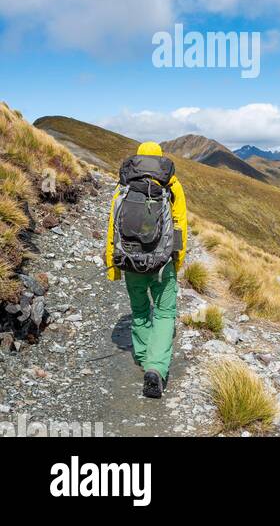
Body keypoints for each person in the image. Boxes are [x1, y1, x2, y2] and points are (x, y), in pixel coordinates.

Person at [104, 142, 188, 399]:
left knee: (140, 309)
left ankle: (142, 358)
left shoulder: (124, 184)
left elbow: (112, 227)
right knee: (164, 313)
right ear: (160, 159)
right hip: (163, 262)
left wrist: (113, 268)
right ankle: (156, 366)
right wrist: (178, 261)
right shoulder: (171, 184)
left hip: (131, 260)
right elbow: (180, 225)